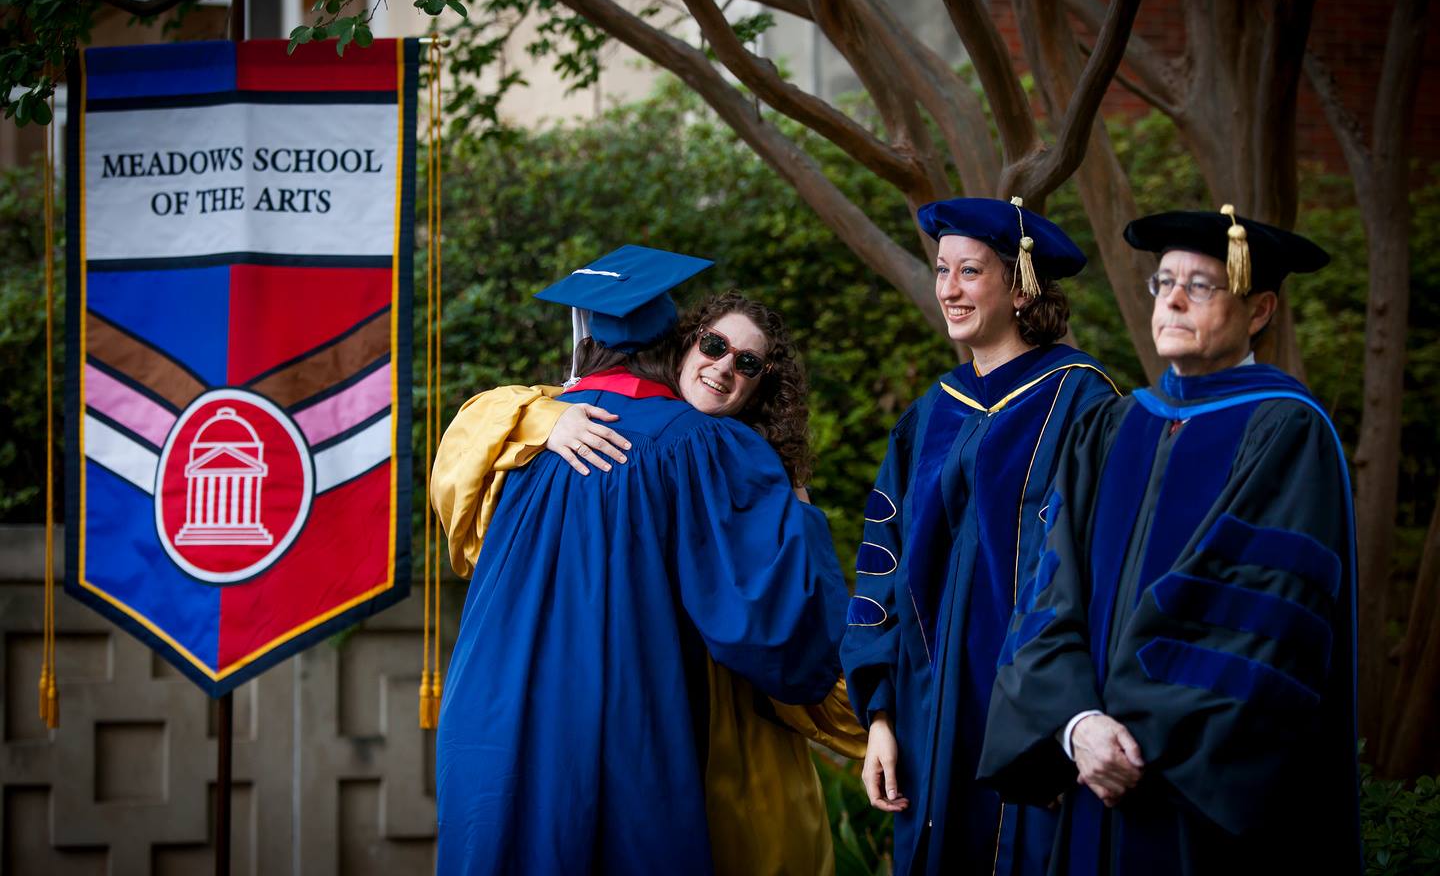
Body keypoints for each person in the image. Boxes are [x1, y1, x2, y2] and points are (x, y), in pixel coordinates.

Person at [430, 246, 849, 875]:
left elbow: (463, 531)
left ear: (587, 342)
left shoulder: (520, 437)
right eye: (713, 346)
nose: (722, 366)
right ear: (678, 343)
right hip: (620, 713)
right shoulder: (700, 445)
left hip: (489, 708)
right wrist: (803, 521)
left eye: (746, 362)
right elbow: (767, 619)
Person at [978, 207, 1359, 874]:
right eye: (1165, 282)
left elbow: (1261, 621)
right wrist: (1075, 724)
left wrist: (1127, 741)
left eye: (1201, 286)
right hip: (1090, 766)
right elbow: (1049, 591)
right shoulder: (1112, 426)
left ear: (1260, 310)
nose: (1174, 300)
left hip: (1191, 794)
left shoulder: (1287, 432)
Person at [840, 197, 1120, 876]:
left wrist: (1076, 715)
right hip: (926, 713)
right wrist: (880, 719)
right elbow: (882, 566)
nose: (949, 289)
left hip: (1034, 709)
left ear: (1020, 289)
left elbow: (1105, 570)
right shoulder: (932, 412)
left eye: (970, 271)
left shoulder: (1081, 402)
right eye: (943, 270)